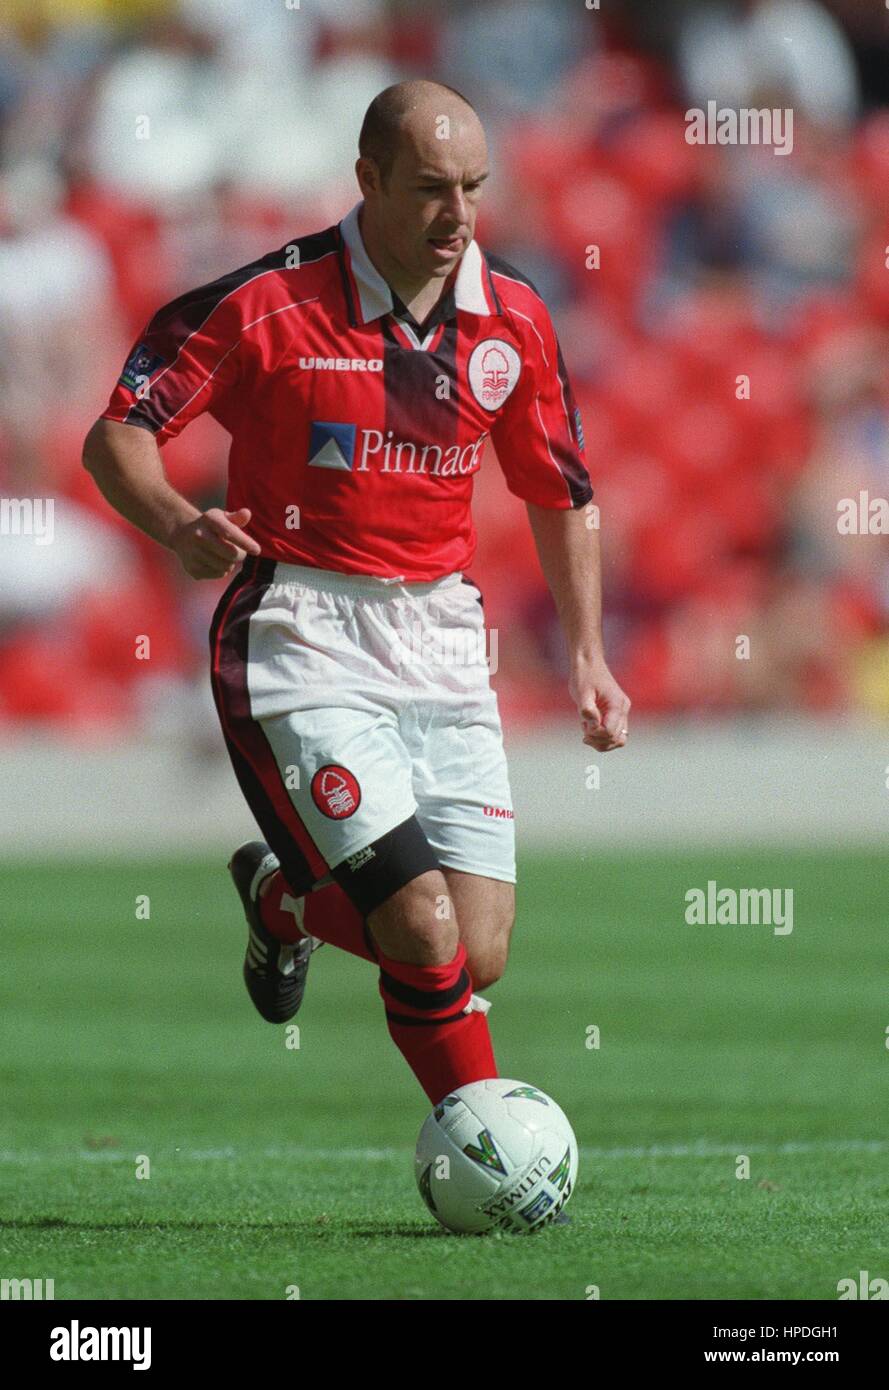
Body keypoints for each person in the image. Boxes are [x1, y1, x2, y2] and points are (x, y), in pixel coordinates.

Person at [83, 80, 630, 1107]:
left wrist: (589, 652)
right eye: (429, 188)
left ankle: (277, 899)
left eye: (472, 187)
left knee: (476, 947)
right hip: (301, 629)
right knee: (419, 928)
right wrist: (176, 522)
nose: (457, 215)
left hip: (442, 633)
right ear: (366, 181)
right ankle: (485, 1144)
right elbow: (117, 432)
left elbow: (560, 493)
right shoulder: (267, 304)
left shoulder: (511, 317)